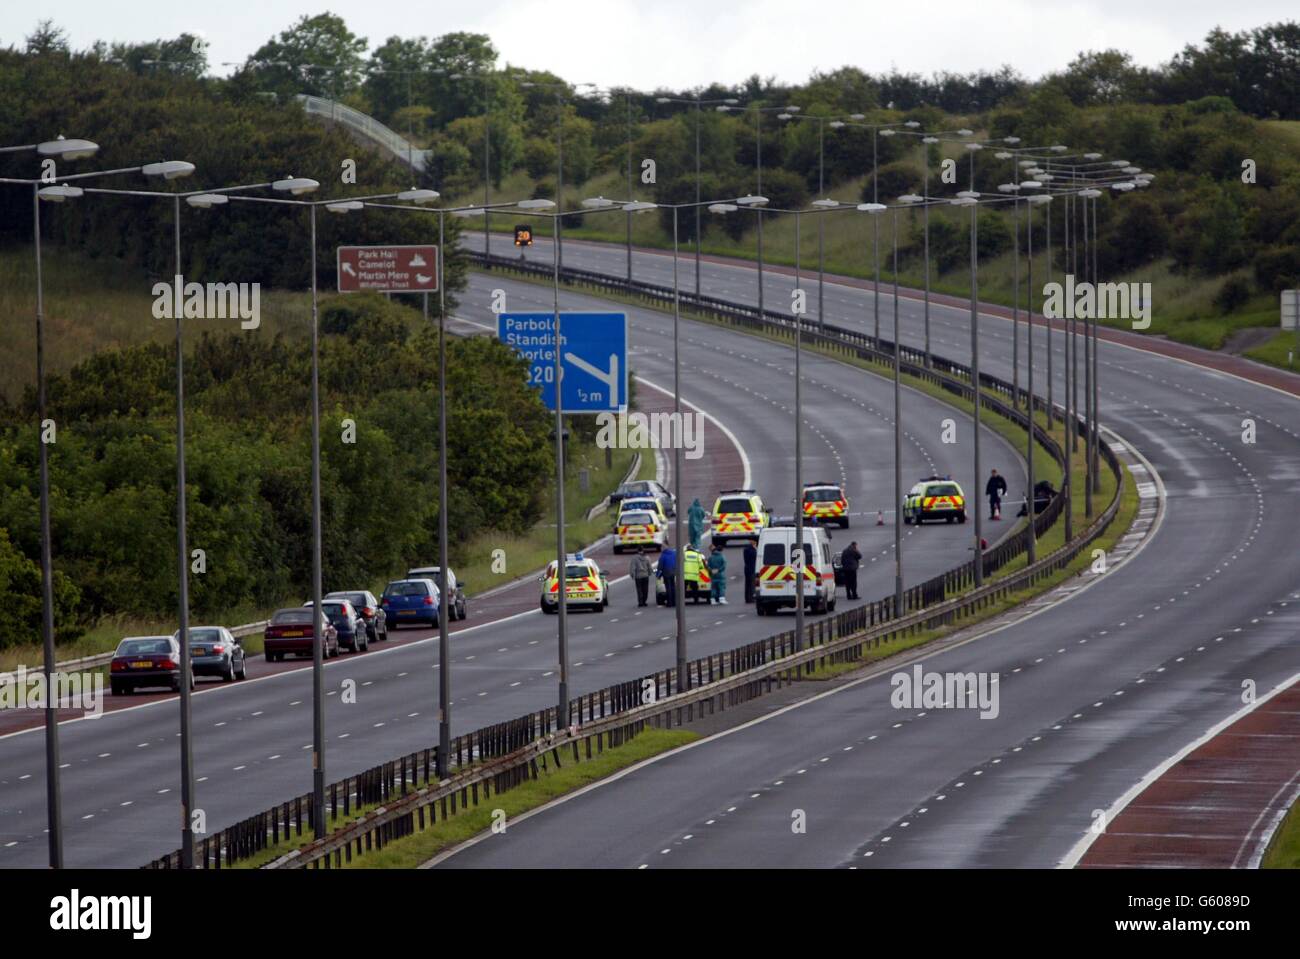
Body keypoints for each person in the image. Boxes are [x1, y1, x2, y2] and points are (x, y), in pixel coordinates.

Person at [742, 538, 758, 603]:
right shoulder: (749, 550)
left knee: (748, 584)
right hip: (751, 569)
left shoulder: (747, 549)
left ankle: (748, 598)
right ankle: (750, 598)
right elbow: (754, 556)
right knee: (751, 584)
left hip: (748, 568)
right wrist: (755, 549)